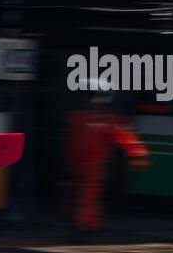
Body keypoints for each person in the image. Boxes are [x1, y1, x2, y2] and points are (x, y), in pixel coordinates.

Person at [64, 87, 149, 237]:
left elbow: (125, 138)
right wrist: (138, 155)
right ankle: (87, 225)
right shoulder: (102, 120)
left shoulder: (82, 118)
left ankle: (88, 224)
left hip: (86, 164)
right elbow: (126, 138)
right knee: (89, 195)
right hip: (89, 165)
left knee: (88, 195)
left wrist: (137, 155)